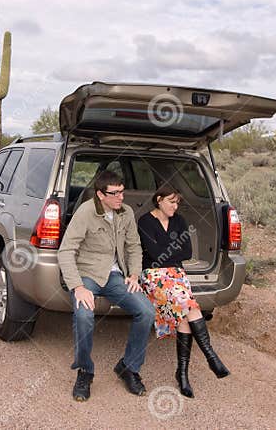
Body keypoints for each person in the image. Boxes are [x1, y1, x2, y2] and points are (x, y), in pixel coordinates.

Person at [58, 170, 156, 402]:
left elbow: (134, 246)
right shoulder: (86, 212)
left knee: (146, 312)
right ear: (101, 195)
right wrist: (78, 287)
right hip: (87, 275)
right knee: (83, 316)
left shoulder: (126, 212)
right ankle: (85, 371)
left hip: (115, 277)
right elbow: (66, 251)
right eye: (115, 193)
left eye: (122, 191)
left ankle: (129, 367)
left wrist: (134, 274)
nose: (121, 197)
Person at [137, 184, 230, 398]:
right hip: (153, 275)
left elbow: (187, 252)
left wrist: (167, 253)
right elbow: (155, 254)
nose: (175, 206)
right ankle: (210, 356)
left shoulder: (179, 221)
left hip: (177, 276)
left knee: (185, 316)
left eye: (177, 202)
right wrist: (171, 253)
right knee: (189, 306)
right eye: (171, 202)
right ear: (159, 200)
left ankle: (183, 373)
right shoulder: (145, 221)